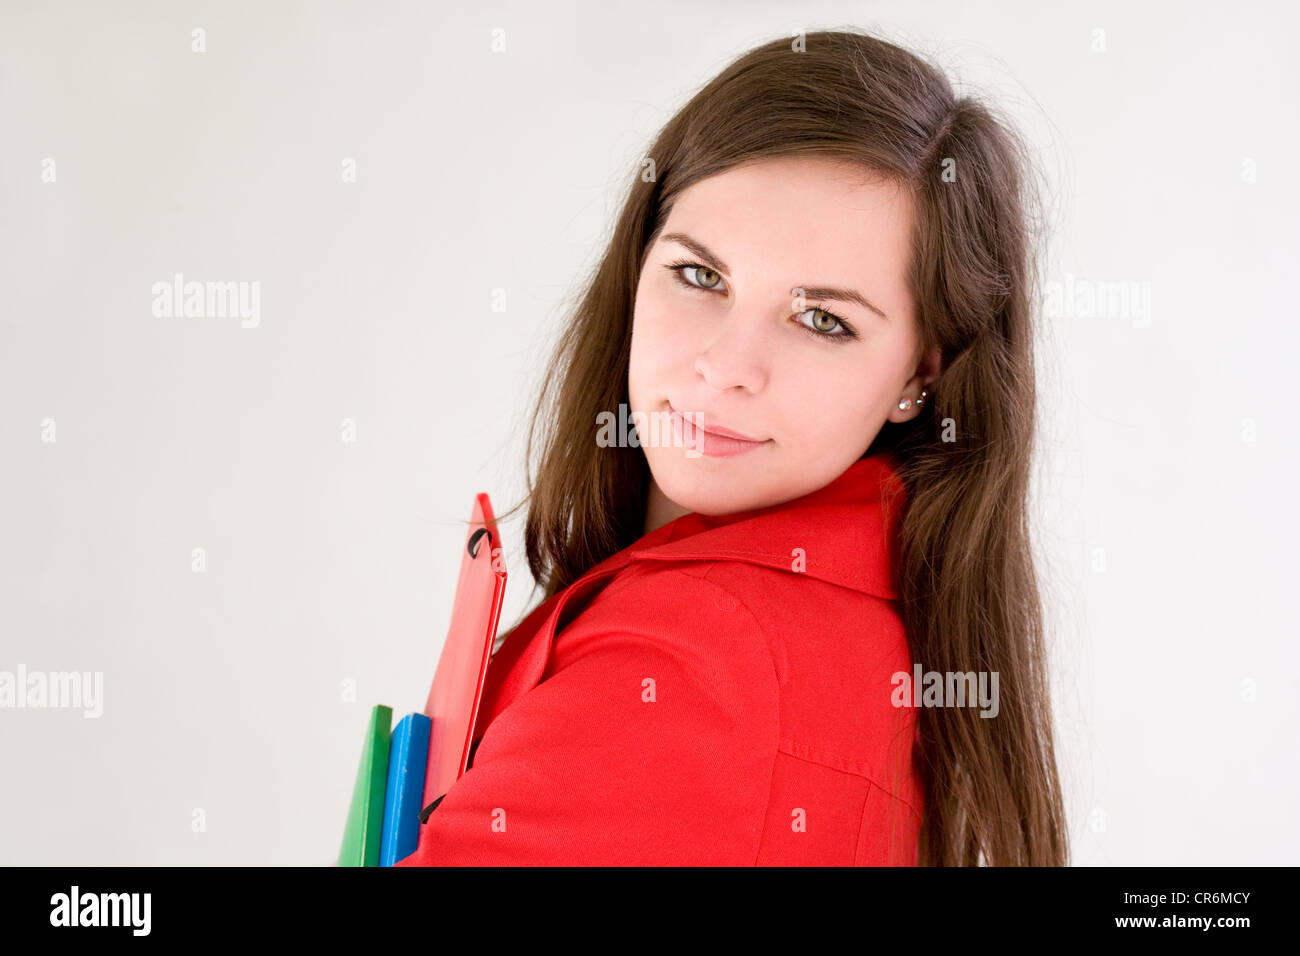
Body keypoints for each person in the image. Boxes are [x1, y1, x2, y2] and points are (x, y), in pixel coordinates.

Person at [396, 28, 1068, 866]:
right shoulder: (870, 611)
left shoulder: (700, 657)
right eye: (700, 276)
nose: (724, 368)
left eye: (823, 320)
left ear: (920, 376)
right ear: (639, 259)